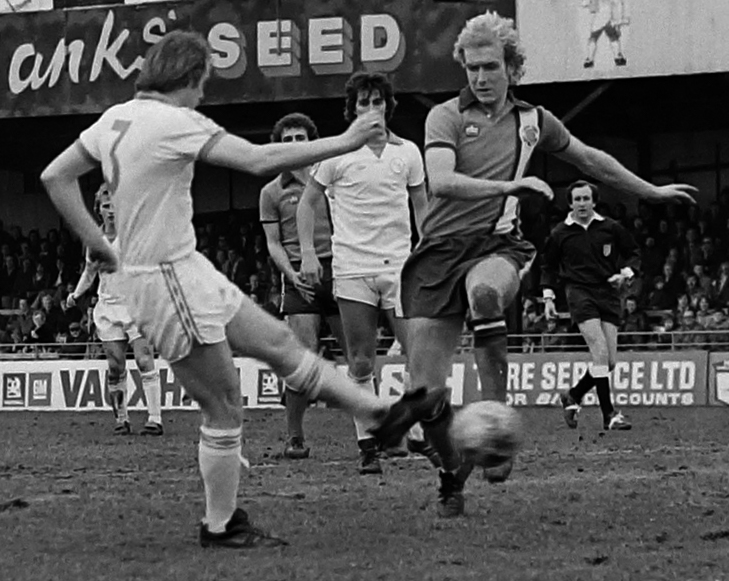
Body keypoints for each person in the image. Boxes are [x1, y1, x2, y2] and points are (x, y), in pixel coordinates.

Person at [40, 29, 441, 550]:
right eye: (202, 82)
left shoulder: (115, 117)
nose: (203, 94)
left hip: (184, 267)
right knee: (225, 406)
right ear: (186, 77)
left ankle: (380, 418)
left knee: (279, 344)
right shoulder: (174, 120)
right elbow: (255, 161)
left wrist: (99, 244)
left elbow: (55, 175)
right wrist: (347, 140)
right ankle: (220, 524)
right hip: (165, 278)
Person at [397, 12, 696, 519]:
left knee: (486, 294)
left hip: (496, 246)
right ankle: (453, 471)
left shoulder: (534, 120)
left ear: (512, 68)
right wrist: (509, 187)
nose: (480, 78)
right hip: (437, 255)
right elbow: (440, 180)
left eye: (491, 67)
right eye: (472, 68)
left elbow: (590, 159)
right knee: (421, 407)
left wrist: (650, 191)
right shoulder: (444, 116)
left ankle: (495, 419)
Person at [298, 73, 428, 474]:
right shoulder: (337, 154)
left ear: (389, 106)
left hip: (401, 267)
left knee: (419, 355)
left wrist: (431, 249)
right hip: (353, 268)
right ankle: (368, 445)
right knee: (359, 362)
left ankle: (408, 425)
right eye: (363, 102)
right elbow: (308, 204)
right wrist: (307, 252)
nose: (371, 108)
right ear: (352, 108)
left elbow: (421, 205)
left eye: (377, 101)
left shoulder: (407, 152)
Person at [257, 112, 342, 460]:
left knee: (360, 358)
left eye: (300, 139)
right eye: (287, 140)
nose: (294, 146)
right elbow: (273, 243)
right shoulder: (271, 192)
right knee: (301, 361)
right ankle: (295, 438)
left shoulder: (333, 179)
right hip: (298, 280)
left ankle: (378, 435)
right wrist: (291, 275)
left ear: (311, 142)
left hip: (340, 272)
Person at [64, 185, 166, 436]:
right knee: (115, 366)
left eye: (115, 205)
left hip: (135, 305)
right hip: (108, 308)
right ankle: (122, 419)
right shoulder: (94, 241)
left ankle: (155, 419)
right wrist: (75, 294)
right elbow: (90, 273)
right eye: (106, 206)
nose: (111, 211)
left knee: (144, 358)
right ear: (99, 210)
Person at [543, 180, 639, 432]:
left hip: (608, 293)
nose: (582, 204)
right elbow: (548, 267)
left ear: (594, 202)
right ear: (570, 203)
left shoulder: (611, 228)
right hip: (579, 293)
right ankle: (610, 414)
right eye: (577, 199)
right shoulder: (560, 233)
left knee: (609, 362)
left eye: (586, 199)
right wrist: (549, 297)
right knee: (599, 350)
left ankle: (573, 395)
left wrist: (626, 273)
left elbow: (634, 253)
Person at [581, 0, 629, 69]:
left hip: (607, 19)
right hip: (599, 19)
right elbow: (584, 3)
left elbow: (619, 4)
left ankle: (617, 57)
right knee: (595, 38)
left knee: (612, 38)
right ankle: (590, 58)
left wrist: (618, 20)